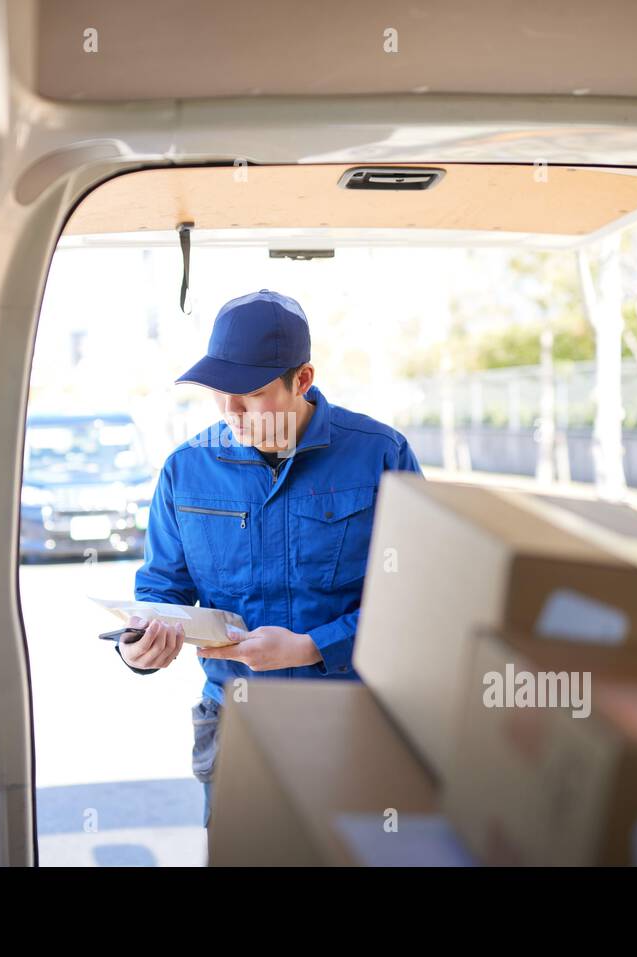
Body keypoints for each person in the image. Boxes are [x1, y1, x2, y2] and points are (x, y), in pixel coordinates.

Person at [114, 289, 424, 827]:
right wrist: (142, 646)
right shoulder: (185, 470)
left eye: (251, 393)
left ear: (302, 379)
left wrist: (311, 648)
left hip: (353, 724)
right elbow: (162, 588)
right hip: (234, 724)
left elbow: (420, 603)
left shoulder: (381, 455)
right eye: (218, 392)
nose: (230, 410)